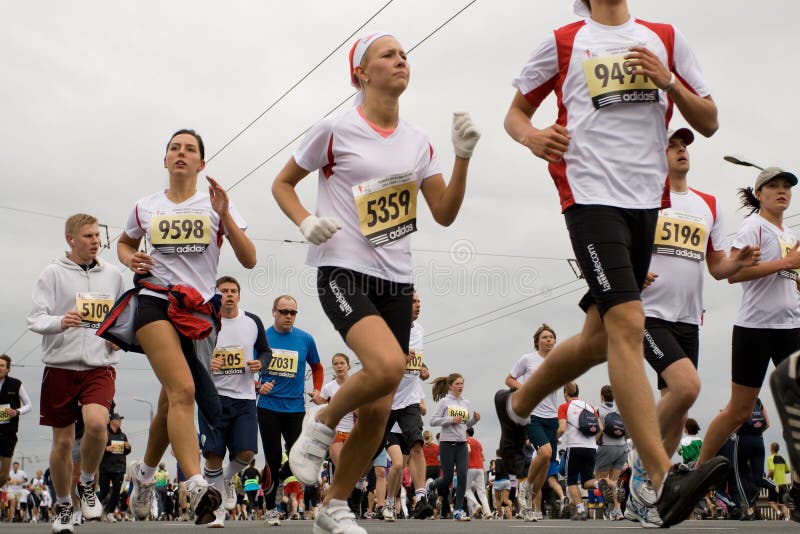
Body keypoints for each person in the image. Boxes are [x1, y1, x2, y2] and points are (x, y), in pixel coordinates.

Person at [498, 0, 728, 527]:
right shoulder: (563, 40)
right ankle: (661, 480)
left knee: (598, 339)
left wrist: (670, 83)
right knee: (627, 321)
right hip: (588, 196)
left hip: (644, 201)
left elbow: (710, 120)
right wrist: (532, 137)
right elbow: (514, 114)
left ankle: (515, 407)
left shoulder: (665, 37)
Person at [274, 31, 480, 534]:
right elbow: (282, 183)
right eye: (388, 55)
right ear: (361, 73)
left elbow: (444, 212)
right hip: (342, 269)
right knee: (388, 366)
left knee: (379, 409)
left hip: (397, 280)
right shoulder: (335, 129)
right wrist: (304, 220)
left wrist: (462, 157)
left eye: (404, 54)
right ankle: (323, 420)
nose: (401, 60)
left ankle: (334, 505)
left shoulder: (417, 140)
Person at [110, 129, 257, 525]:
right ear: (165, 160)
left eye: (189, 149)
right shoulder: (146, 206)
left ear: (201, 163)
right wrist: (130, 258)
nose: (181, 153)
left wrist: (226, 215)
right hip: (155, 301)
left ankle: (144, 475)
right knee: (184, 390)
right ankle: (195, 485)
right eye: (174, 148)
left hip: (199, 314)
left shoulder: (216, 204)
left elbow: (249, 259)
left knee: (168, 402)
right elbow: (124, 244)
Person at [697, 167, 800, 474]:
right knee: (740, 411)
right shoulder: (753, 227)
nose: (782, 191)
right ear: (759, 194)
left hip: (791, 328)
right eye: (774, 186)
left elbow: (787, 275)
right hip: (755, 329)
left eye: (786, 187)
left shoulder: (789, 234)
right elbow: (734, 274)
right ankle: (697, 471)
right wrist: (786, 262)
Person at [27, 212, 125, 533]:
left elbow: (121, 317)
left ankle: (86, 483)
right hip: (60, 366)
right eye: (88, 236)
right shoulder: (53, 273)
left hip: (99, 365)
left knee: (97, 425)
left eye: (97, 235)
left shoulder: (113, 275)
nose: (96, 241)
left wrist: (117, 339)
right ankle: (64, 505)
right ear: (71, 239)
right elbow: (35, 318)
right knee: (64, 443)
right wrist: (60, 321)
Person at [201, 275, 270, 527]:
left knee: (246, 452)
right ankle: (217, 510)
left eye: (233, 291)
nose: (228, 295)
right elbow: (191, 353)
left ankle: (226, 478)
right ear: (216, 295)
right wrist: (207, 362)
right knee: (213, 455)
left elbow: (266, 351)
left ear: (239, 296)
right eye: (223, 291)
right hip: (213, 397)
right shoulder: (206, 322)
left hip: (244, 399)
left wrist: (260, 363)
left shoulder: (252, 321)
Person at [257, 294, 323, 527]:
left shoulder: (305, 339)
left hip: (295, 407)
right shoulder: (262, 338)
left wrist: (317, 389)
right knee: (273, 457)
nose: (288, 316)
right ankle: (271, 509)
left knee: (299, 455)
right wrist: (258, 386)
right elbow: (248, 369)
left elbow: (317, 367)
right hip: (268, 406)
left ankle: (278, 478)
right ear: (274, 312)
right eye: (284, 311)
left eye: (292, 312)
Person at [505, 324, 559, 522]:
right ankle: (526, 485)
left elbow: (569, 385)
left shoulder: (557, 360)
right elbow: (509, 379)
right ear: (537, 341)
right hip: (532, 414)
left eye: (551, 337)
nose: (549, 339)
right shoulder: (528, 359)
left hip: (551, 416)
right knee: (545, 452)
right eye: (545, 337)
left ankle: (529, 502)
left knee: (546, 461)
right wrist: (524, 388)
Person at [556, 382, 614, 521]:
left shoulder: (564, 407)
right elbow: (601, 428)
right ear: (578, 392)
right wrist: (593, 442)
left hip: (574, 448)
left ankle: (581, 511)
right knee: (587, 481)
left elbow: (562, 428)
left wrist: (554, 439)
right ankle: (599, 484)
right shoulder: (589, 406)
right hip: (591, 449)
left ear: (565, 393)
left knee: (571, 481)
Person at [429, 373, 479, 521]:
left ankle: (458, 510)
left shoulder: (466, 403)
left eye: (462, 383)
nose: (460, 386)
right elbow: (433, 421)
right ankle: (431, 486)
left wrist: (474, 420)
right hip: (447, 444)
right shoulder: (444, 402)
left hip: (462, 443)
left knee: (463, 475)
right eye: (457, 383)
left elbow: (465, 424)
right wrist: (451, 419)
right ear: (450, 386)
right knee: (447, 479)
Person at [313, 353, 355, 469]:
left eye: (342, 363)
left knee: (351, 468)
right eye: (336, 364)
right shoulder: (328, 387)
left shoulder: (356, 384)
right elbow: (323, 405)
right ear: (333, 367)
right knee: (341, 466)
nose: (339, 366)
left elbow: (363, 411)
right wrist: (316, 399)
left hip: (353, 432)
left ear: (348, 366)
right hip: (334, 431)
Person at [733, 398, 771, 520]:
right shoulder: (759, 402)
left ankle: (749, 510)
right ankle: (780, 488)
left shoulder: (738, 400)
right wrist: (756, 432)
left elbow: (735, 426)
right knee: (759, 478)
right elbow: (767, 424)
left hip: (743, 440)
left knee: (740, 475)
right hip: (759, 440)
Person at [0, 354, 32, 490]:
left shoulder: (15, 384)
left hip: (8, 434)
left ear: (7, 369)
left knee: (4, 475)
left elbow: (29, 405)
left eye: (2, 365)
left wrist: (17, 411)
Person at [594, 385, 626, 520]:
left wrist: (596, 441)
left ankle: (610, 506)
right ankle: (617, 511)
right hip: (622, 448)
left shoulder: (598, 409)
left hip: (607, 447)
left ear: (602, 397)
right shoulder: (620, 410)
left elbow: (598, 430)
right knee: (614, 481)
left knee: (599, 480)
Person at [97, 412, 131, 523]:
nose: (120, 421)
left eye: (120, 420)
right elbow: (96, 449)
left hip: (119, 468)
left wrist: (128, 447)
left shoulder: (123, 435)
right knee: (104, 491)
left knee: (116, 491)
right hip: (105, 468)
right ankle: (92, 509)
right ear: (112, 421)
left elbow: (126, 451)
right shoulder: (104, 433)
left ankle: (110, 512)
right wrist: (105, 449)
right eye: (118, 419)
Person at [464, 427, 492, 519]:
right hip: (480, 468)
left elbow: (467, 451)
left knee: (466, 489)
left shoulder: (466, 441)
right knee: (482, 492)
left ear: (467, 433)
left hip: (470, 467)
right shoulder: (478, 443)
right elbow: (482, 456)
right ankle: (487, 512)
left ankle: (476, 504)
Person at [766, 442, 789, 520]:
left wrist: (767, 478)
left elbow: (772, 470)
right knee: (783, 503)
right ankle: (787, 518)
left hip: (774, 483)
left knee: (772, 502)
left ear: (771, 449)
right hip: (783, 483)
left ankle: (779, 512)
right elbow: (787, 470)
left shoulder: (770, 458)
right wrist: (780, 472)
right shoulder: (782, 458)